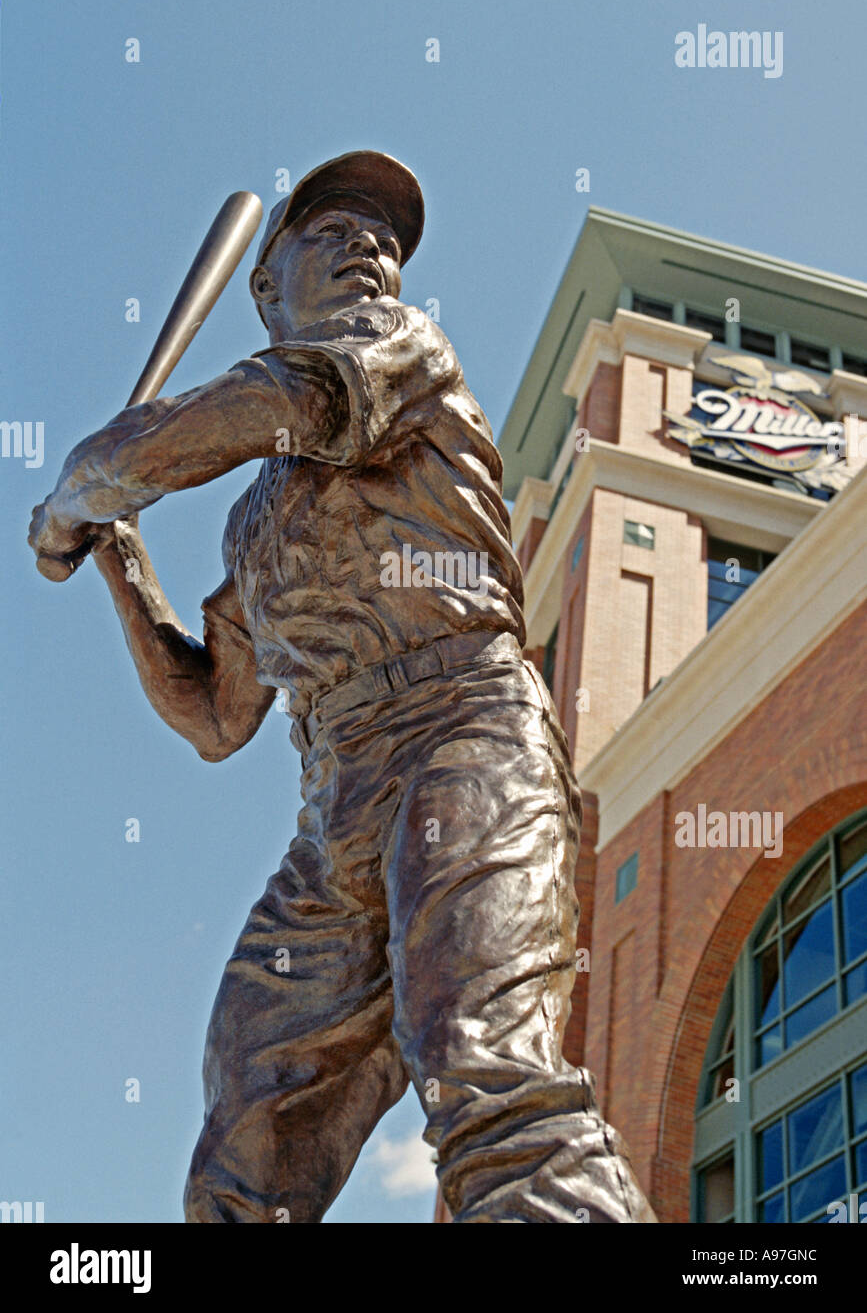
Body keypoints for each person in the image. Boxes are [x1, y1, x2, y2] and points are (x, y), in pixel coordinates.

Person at [29, 151, 656, 1224]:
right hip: (336, 798)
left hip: (465, 733)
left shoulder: (394, 353)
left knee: (484, 1064)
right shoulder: (260, 519)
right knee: (251, 1112)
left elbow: (252, 410)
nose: (372, 246)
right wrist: (118, 557)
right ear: (267, 287)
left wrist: (89, 480)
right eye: (332, 230)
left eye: (383, 237)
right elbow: (217, 713)